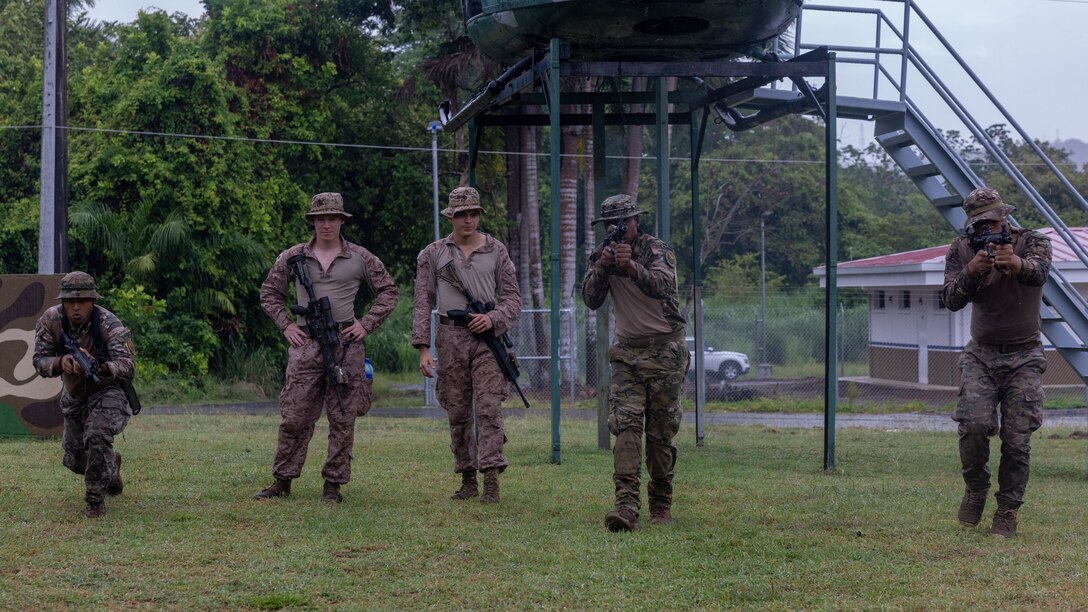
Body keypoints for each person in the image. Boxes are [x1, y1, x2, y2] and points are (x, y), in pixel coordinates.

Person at [256, 192, 398, 503]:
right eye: (320, 219)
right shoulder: (293, 256)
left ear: (341, 221)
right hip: (305, 342)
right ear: (313, 222)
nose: (326, 224)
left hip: (345, 343)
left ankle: (333, 485)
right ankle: (282, 480)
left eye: (332, 218)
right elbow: (269, 293)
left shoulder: (359, 257)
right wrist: (286, 325)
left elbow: (388, 292)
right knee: (295, 415)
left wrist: (365, 324)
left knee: (343, 416)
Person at [942, 187, 1052, 538]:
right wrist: (972, 272)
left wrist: (1016, 264)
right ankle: (976, 488)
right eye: (979, 224)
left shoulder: (1031, 241)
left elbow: (1040, 272)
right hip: (982, 354)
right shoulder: (961, 249)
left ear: (1005, 217)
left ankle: (1007, 511)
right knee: (973, 426)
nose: (987, 229)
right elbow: (950, 299)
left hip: (1025, 355)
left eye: (992, 220)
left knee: (1017, 439)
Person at [581, 194, 689, 532]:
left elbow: (664, 285)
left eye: (623, 223)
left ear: (635, 222)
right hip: (627, 353)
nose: (617, 229)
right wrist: (603, 267)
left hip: (665, 351)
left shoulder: (656, 250)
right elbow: (590, 299)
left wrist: (631, 268)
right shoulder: (602, 255)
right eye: (611, 225)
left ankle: (661, 503)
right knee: (626, 427)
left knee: (660, 433)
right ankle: (625, 506)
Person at [411, 186, 522, 504]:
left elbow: (513, 298)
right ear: (451, 217)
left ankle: (491, 482)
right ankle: (468, 478)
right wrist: (423, 347)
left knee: (488, 407)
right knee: (457, 410)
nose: (468, 220)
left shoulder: (496, 250)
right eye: (462, 214)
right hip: (450, 337)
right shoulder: (433, 254)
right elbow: (422, 301)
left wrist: (494, 319)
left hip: (487, 339)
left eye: (473, 213)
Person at [33, 271, 137, 518]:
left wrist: (102, 367)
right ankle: (111, 468)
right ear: (62, 302)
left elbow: (129, 366)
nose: (76, 307)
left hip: (108, 390)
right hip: (75, 395)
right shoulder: (51, 321)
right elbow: (39, 360)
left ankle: (94, 502)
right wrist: (61, 362)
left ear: (93, 301)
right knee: (75, 459)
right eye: (70, 302)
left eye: (83, 301)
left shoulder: (109, 324)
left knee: (97, 435)